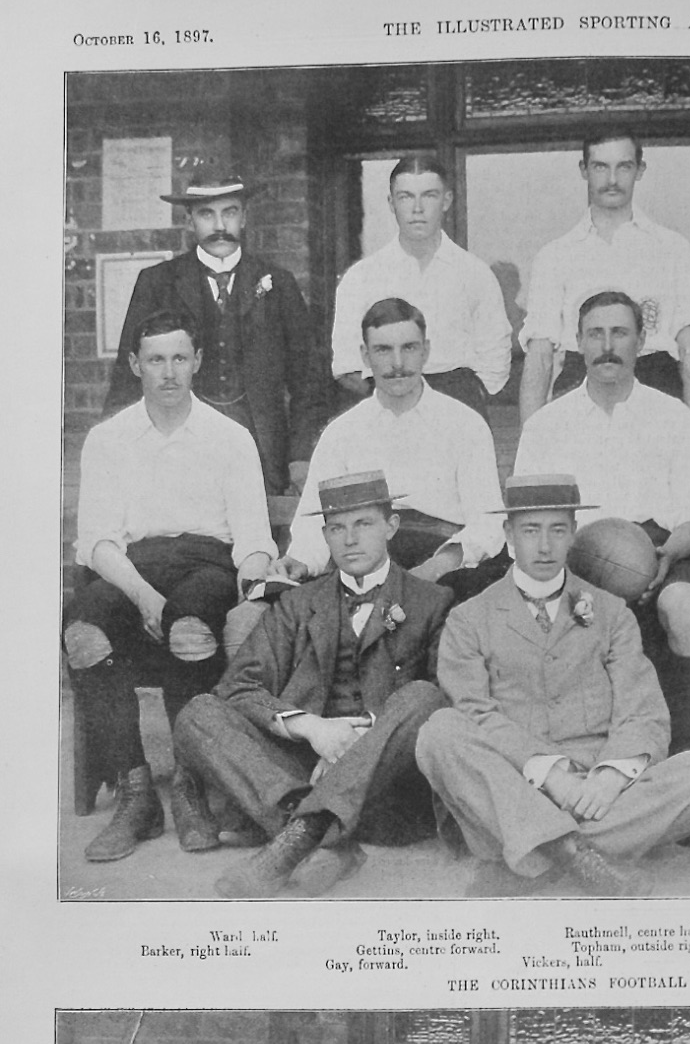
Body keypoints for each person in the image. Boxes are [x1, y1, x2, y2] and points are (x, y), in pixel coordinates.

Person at [416, 475, 690, 899]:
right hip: (515, 785)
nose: (544, 546)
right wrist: (553, 776)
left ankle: (538, 852)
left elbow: (643, 711)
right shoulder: (470, 618)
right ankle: (572, 852)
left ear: (573, 536)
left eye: (557, 530)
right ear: (508, 536)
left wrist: (609, 779)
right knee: (439, 731)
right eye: (530, 531)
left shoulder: (612, 612)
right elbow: (475, 713)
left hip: (596, 795)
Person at [172, 471, 450, 898]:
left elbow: (443, 699)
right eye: (337, 528)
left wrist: (355, 745)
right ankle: (322, 841)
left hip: (385, 786)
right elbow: (238, 686)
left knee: (425, 698)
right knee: (198, 712)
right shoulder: (296, 604)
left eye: (364, 524)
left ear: (391, 527)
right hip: (297, 772)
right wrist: (314, 729)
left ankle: (299, 836)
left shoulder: (432, 602)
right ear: (324, 535)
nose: (350, 540)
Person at [65, 310, 275, 862]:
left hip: (207, 565)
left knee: (189, 626)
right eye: (155, 359)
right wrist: (143, 595)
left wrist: (253, 585)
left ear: (198, 362)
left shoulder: (230, 438)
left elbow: (252, 538)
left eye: (180, 358)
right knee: (84, 631)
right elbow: (98, 543)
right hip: (131, 568)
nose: (168, 372)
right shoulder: (109, 439)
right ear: (135, 365)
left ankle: (188, 785)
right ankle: (136, 793)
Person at [514, 290, 690, 748]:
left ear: (641, 341)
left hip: (660, 549)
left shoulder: (675, 416)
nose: (608, 345)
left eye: (620, 333)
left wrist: (666, 554)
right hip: (574, 557)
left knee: (687, 605)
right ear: (579, 344)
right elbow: (528, 522)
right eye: (595, 334)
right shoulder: (546, 425)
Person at [103, 168, 326, 493]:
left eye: (230, 213)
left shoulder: (278, 283)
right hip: (178, 445)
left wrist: (300, 454)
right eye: (207, 214)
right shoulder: (158, 282)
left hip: (259, 451)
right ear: (189, 220)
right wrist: (119, 453)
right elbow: (127, 377)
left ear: (245, 217)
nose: (220, 227)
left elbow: (308, 381)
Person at [284, 300, 505, 594]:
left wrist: (436, 567)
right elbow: (313, 521)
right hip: (364, 565)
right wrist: (299, 561)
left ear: (425, 350)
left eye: (409, 348)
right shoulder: (342, 432)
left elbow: (488, 524)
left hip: (444, 567)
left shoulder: (465, 425)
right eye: (383, 350)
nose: (397, 363)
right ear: (365, 355)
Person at [518, 130, 690, 425]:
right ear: (584, 170)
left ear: (640, 170)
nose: (613, 179)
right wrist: (529, 448)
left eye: (624, 166)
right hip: (580, 381)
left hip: (656, 380)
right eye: (601, 167)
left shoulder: (672, 249)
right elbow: (540, 357)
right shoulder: (554, 255)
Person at [330, 152, 511, 419]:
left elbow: (495, 362)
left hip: (457, 406)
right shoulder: (361, 277)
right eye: (405, 197)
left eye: (429, 195)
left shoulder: (474, 274)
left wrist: (461, 400)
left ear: (447, 200)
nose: (417, 208)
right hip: (385, 407)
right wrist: (391, 396)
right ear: (391, 203)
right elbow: (347, 365)